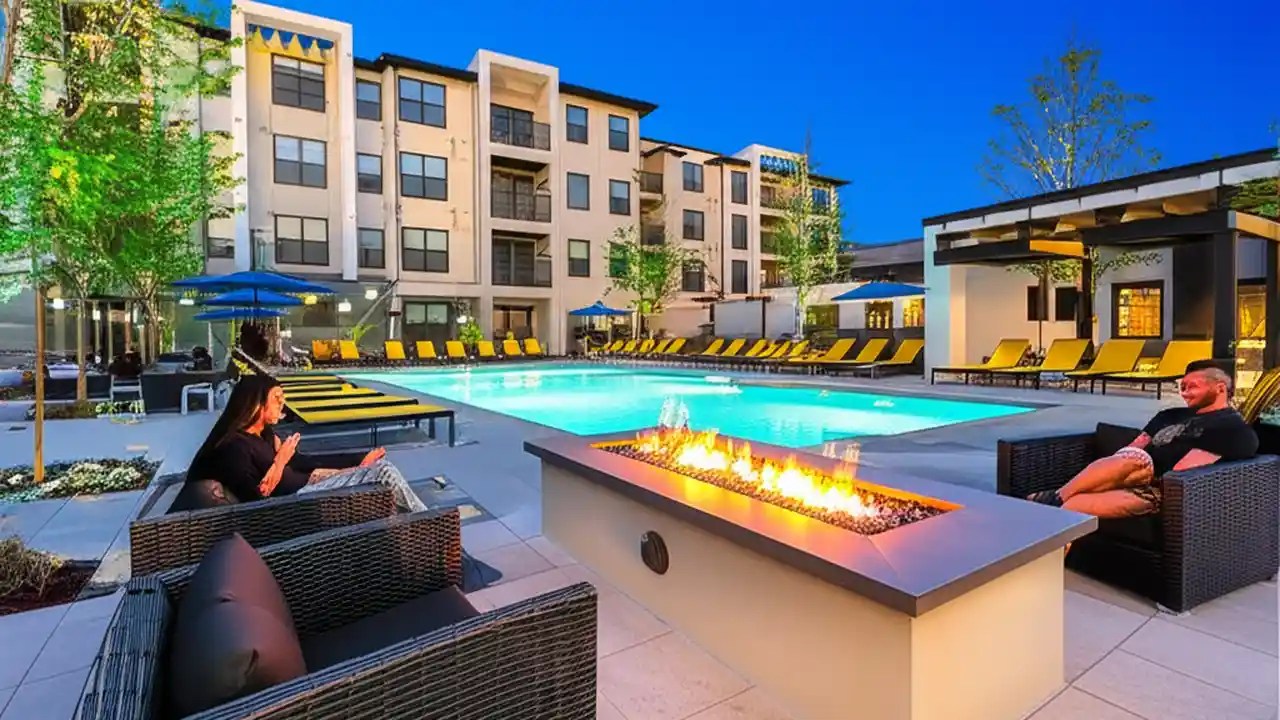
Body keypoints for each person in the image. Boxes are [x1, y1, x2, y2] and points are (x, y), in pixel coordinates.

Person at [1029, 360, 1258, 518]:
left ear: (1219, 388)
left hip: (1156, 490)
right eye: (1182, 387)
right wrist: (1111, 476)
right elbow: (1132, 448)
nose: (1184, 392)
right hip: (1128, 472)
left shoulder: (1230, 427)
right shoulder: (1168, 415)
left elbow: (1182, 473)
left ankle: (1055, 498)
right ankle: (1054, 502)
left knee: (1072, 506)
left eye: (1192, 387)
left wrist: (1133, 473)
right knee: (1132, 459)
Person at [186, 375, 426, 511]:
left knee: (379, 471)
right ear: (256, 404)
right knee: (384, 473)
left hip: (307, 483)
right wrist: (280, 460)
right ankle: (425, 518)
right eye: (277, 398)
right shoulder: (234, 448)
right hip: (297, 502)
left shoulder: (266, 434)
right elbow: (255, 502)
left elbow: (304, 461)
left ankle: (414, 523)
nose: (283, 404)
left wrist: (358, 459)